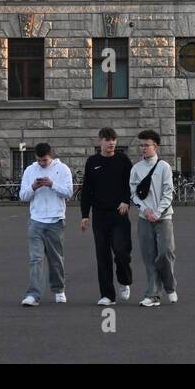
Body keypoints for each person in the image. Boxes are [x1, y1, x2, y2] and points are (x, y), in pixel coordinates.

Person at [80, 127, 133, 306]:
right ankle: (107, 295)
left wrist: (127, 200)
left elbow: (131, 184)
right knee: (102, 256)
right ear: (100, 141)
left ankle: (124, 281)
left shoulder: (123, 160)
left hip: (120, 213)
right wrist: (84, 214)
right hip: (100, 216)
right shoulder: (92, 162)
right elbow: (87, 189)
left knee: (121, 252)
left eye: (114, 140)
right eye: (107, 139)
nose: (111, 143)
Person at [19, 141, 73, 306]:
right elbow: (23, 196)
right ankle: (33, 294)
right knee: (36, 258)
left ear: (51, 156)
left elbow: (69, 192)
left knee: (55, 259)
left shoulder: (62, 169)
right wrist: (34, 187)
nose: (42, 164)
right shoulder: (30, 170)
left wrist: (52, 184)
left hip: (56, 220)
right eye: (40, 160)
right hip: (36, 220)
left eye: (45, 161)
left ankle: (59, 290)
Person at [129, 130, 177, 306]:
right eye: (141, 145)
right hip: (144, 218)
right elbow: (133, 195)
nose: (143, 148)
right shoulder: (136, 169)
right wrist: (145, 210)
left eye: (146, 145)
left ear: (155, 146)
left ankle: (170, 286)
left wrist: (157, 212)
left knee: (165, 253)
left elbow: (168, 193)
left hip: (164, 218)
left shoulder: (164, 167)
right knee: (149, 257)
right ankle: (152, 295)